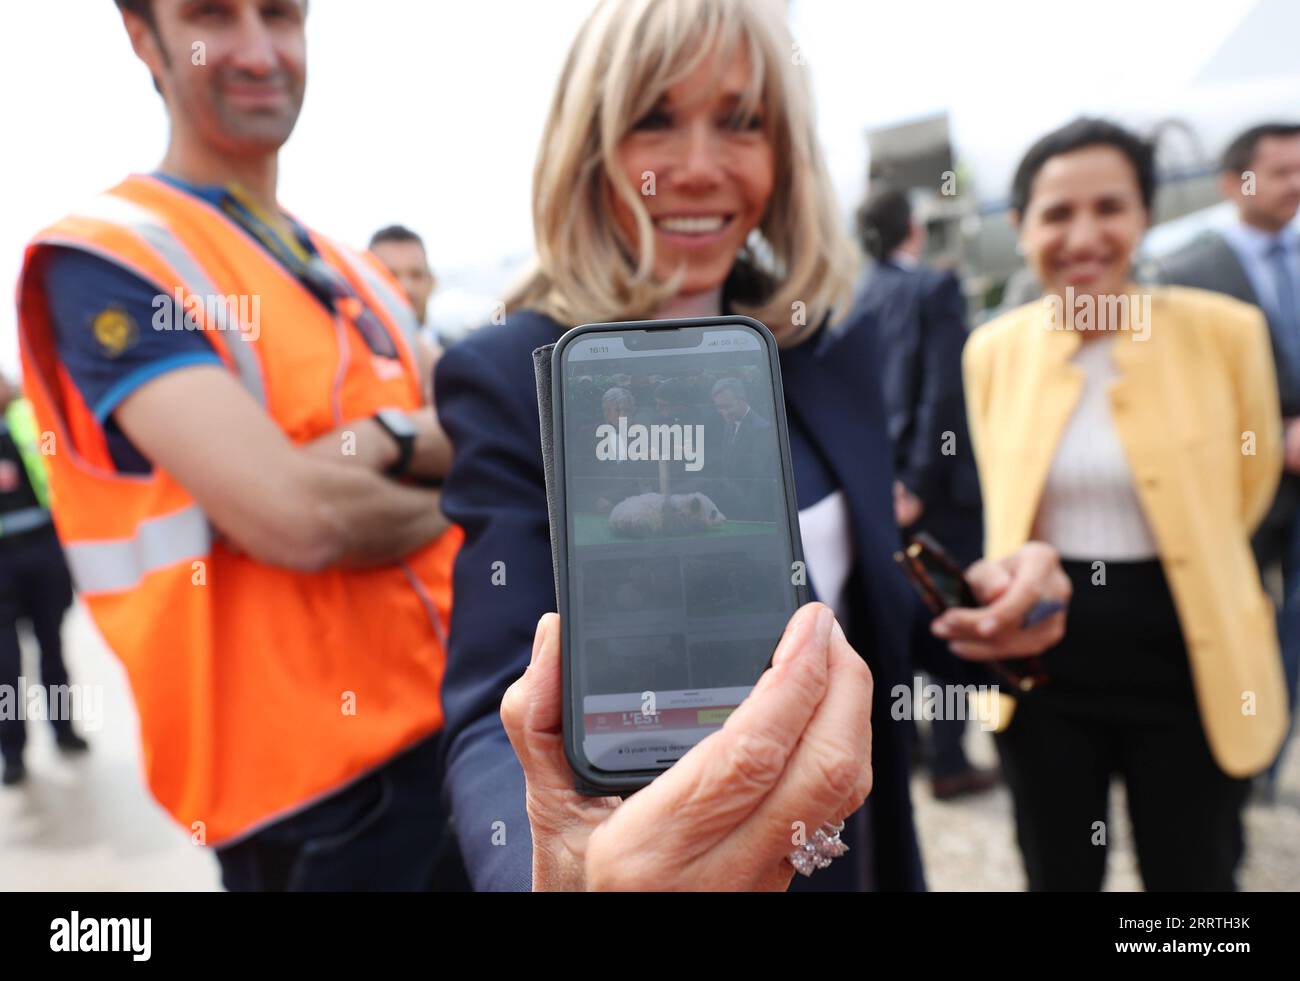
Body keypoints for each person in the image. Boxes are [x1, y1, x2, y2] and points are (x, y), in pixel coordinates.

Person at [434, 0, 1071, 892]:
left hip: (858, 856)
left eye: (741, 122)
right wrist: (553, 870)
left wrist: (994, 608)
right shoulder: (509, 371)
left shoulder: (826, 342)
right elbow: (489, 705)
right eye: (655, 117)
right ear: (587, 145)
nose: (698, 168)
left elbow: (866, 603)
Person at [16, 0, 460, 889]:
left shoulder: (357, 271)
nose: (260, 49)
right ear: (143, 37)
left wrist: (377, 436)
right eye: (214, 14)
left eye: (282, 15)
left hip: (462, 730)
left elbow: (474, 433)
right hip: (318, 803)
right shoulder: (113, 257)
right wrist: (438, 477)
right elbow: (300, 519)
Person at [963, 118, 1290, 890]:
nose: (1083, 236)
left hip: (1191, 651)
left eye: (1110, 207)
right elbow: (1004, 497)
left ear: (1144, 216)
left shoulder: (1228, 333)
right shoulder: (994, 350)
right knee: (1058, 869)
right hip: (1042, 659)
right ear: (1020, 228)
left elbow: (1253, 483)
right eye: (1055, 214)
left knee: (1194, 878)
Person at [1158, 122, 1300, 792]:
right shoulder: (1188, 273)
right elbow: (1182, 400)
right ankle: (1235, 754)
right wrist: (1275, 439)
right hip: (1238, 486)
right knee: (1241, 615)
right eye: (1280, 171)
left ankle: (1267, 754)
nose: (1295, 183)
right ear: (1233, 183)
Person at [850, 185, 992, 801]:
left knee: (898, 618)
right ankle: (952, 761)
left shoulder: (860, 297)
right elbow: (944, 395)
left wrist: (886, 483)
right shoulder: (933, 287)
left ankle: (904, 751)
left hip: (883, 488)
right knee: (952, 615)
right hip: (935, 489)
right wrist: (918, 481)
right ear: (912, 228)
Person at [0, 378, 87, 786]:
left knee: (52, 647)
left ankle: (64, 731)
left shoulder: (28, 420)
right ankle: (12, 752)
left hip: (42, 544)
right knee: (5, 668)